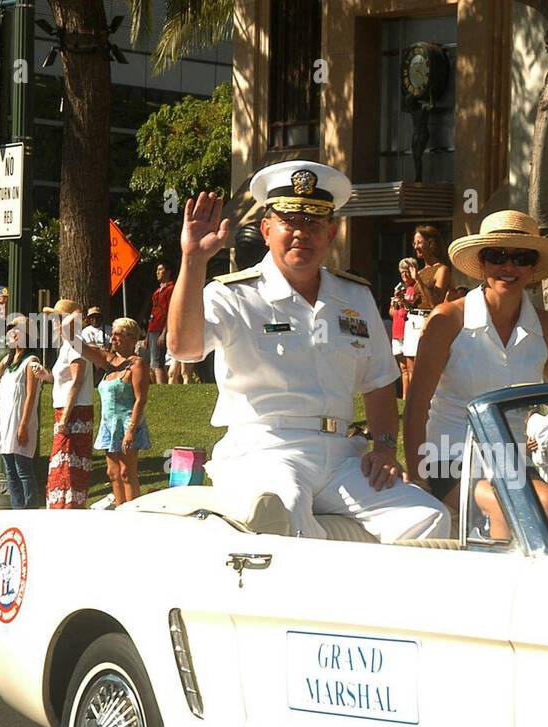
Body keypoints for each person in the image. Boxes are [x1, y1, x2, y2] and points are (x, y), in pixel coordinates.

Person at [166, 162, 448, 542]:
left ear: (330, 233)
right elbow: (183, 348)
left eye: (314, 223)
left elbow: (380, 383)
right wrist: (193, 260)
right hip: (262, 449)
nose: (302, 233)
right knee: (285, 509)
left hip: (342, 456)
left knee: (428, 517)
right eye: (290, 221)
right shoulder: (232, 294)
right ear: (267, 229)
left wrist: (383, 448)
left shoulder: (355, 296)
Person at [404, 209, 548, 538]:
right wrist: (418, 479)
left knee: (547, 503)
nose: (509, 267)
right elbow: (416, 407)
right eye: (497, 256)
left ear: (533, 268)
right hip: (445, 458)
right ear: (481, 264)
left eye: (521, 258)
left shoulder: (546, 327)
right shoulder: (448, 319)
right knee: (521, 509)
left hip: (510, 461)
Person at [0, 315, 46, 509]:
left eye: (14, 330)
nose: (10, 334)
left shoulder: (31, 360)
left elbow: (31, 396)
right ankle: (17, 510)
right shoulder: (8, 359)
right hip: (4, 421)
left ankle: (30, 508)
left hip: (19, 421)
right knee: (10, 469)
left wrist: (23, 425)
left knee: (23, 468)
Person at [84, 318, 151, 506]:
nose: (113, 338)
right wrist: (66, 325)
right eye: (112, 333)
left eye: (118, 334)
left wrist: (131, 430)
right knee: (112, 473)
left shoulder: (137, 365)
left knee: (127, 473)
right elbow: (80, 347)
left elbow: (141, 399)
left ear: (131, 337)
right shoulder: (108, 362)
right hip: (109, 425)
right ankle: (119, 509)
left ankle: (133, 512)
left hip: (127, 423)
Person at [44, 298, 96, 509]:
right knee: (63, 463)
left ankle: (68, 506)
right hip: (67, 408)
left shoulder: (75, 344)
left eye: (59, 319)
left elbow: (77, 380)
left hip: (75, 411)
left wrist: (66, 415)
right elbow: (65, 380)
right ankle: (61, 505)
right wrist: (45, 376)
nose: (55, 324)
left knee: (70, 464)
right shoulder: (67, 345)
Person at [404, 224, 451, 382]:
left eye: (419, 242)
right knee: (410, 368)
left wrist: (417, 279)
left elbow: (435, 302)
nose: (416, 247)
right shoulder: (422, 270)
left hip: (426, 321)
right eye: (414, 243)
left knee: (422, 369)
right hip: (412, 320)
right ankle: (410, 405)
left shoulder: (441, 269)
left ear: (431, 244)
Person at [390, 257, 418, 397]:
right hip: (397, 333)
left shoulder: (416, 288)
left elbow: (413, 309)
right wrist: (395, 301)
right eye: (401, 273)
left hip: (409, 332)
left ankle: (412, 398)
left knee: (411, 368)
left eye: (406, 272)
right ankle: (405, 398)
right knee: (403, 369)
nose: (404, 275)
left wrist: (404, 301)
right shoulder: (401, 289)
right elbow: (391, 313)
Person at [147, 263, 175, 385]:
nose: (157, 272)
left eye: (160, 270)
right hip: (153, 328)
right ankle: (158, 386)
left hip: (161, 328)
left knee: (157, 362)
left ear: (168, 272)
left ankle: (161, 387)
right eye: (157, 270)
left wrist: (164, 332)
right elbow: (153, 313)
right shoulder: (157, 291)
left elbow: (171, 311)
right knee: (152, 363)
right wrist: (148, 335)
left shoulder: (171, 289)